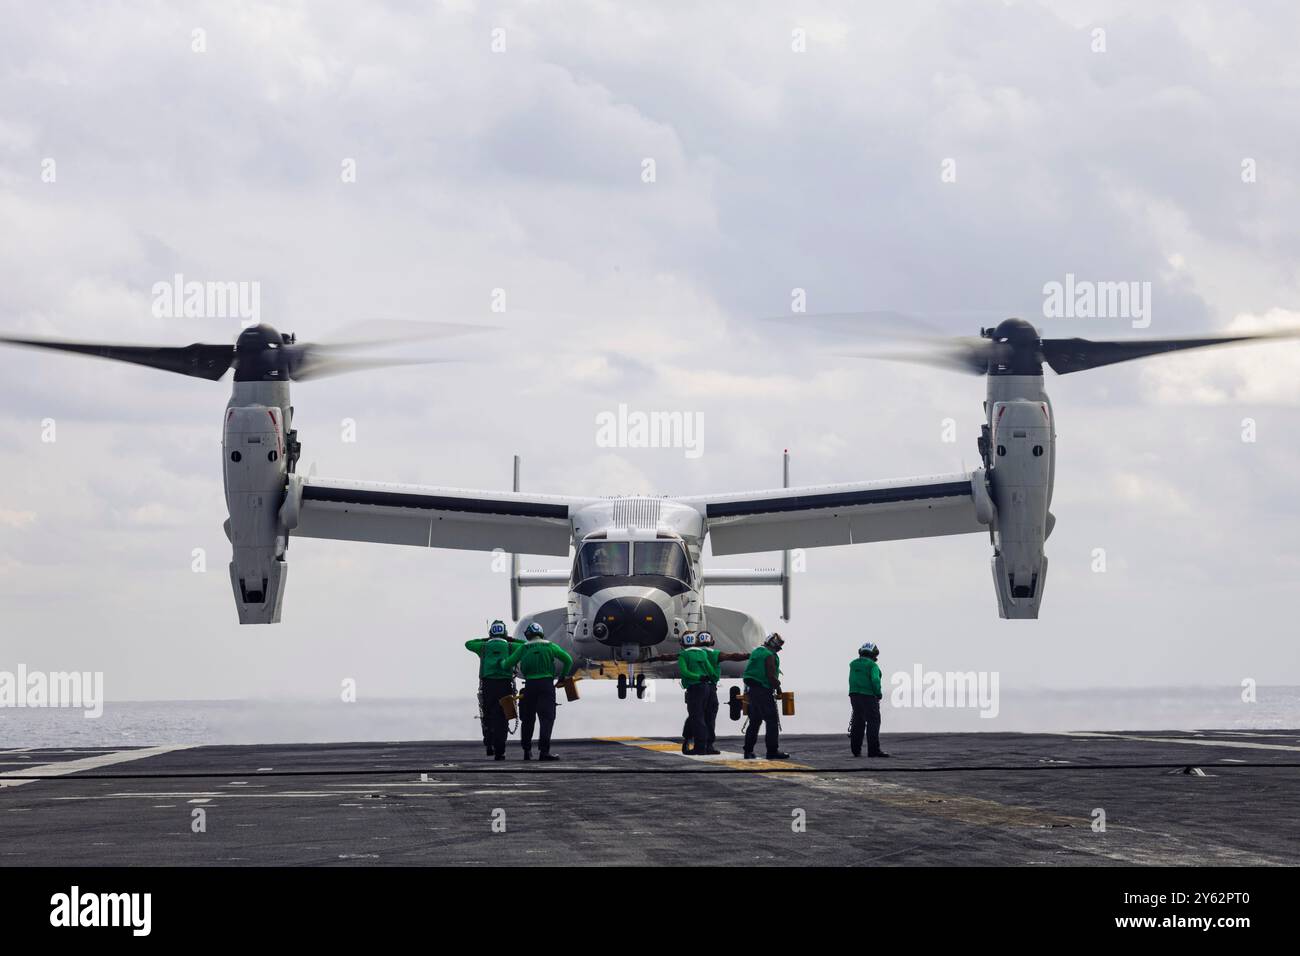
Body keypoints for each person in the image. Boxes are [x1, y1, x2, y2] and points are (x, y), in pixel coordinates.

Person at [502, 621, 575, 761]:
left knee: (528, 719)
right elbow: (568, 660)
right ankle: (544, 752)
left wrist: (500, 662)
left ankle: (527, 751)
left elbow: (507, 664)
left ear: (528, 635)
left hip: (530, 686)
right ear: (541, 633)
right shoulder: (550, 646)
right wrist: (562, 677)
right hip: (547, 686)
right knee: (547, 719)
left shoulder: (523, 648)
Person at [465, 620, 517, 758]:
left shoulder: (483, 647)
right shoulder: (511, 646)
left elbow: (468, 643)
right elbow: (524, 646)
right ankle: (500, 751)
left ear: (491, 632)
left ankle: (489, 744)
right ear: (504, 632)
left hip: (487, 686)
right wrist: (510, 639)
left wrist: (485, 639)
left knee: (487, 716)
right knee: (503, 717)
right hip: (505, 686)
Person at [696, 631, 748, 755]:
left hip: (695, 689)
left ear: (697, 642)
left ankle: (697, 744)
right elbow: (733, 656)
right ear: (712, 642)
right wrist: (749, 655)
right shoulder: (715, 654)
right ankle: (708, 746)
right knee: (710, 718)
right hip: (711, 689)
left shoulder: (692, 654)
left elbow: (671, 657)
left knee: (696, 717)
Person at [742, 632, 790, 760]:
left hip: (752, 691)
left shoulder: (757, 651)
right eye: (778, 647)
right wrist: (778, 687)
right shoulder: (769, 655)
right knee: (772, 721)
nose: (778, 649)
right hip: (763, 691)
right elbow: (770, 675)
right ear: (774, 645)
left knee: (755, 722)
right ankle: (772, 751)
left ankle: (748, 751)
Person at [849, 642, 889, 757]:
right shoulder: (872, 666)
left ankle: (856, 750)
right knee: (873, 721)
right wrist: (878, 693)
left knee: (858, 721)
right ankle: (873, 750)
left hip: (854, 695)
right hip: (869, 696)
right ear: (874, 654)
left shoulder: (853, 664)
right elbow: (875, 680)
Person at [677, 633, 711, 755]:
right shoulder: (702, 653)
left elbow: (685, 672)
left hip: (694, 688)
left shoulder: (683, 655)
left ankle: (700, 747)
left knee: (696, 718)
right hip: (706, 688)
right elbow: (710, 669)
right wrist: (709, 680)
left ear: (682, 643)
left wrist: (698, 677)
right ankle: (704, 745)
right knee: (700, 716)